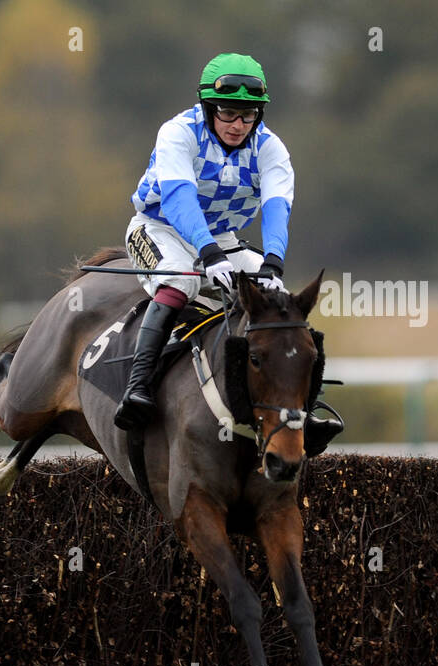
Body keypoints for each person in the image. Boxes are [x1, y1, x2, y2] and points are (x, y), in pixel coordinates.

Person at [113, 53, 342, 455]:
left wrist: (272, 262)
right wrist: (208, 253)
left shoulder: (271, 148)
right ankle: (138, 386)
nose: (238, 124)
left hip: (223, 238)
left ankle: (304, 408)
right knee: (181, 278)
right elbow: (180, 199)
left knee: (281, 304)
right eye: (228, 113)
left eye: (248, 115)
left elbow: (276, 207)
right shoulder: (178, 133)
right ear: (207, 108)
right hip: (159, 228)